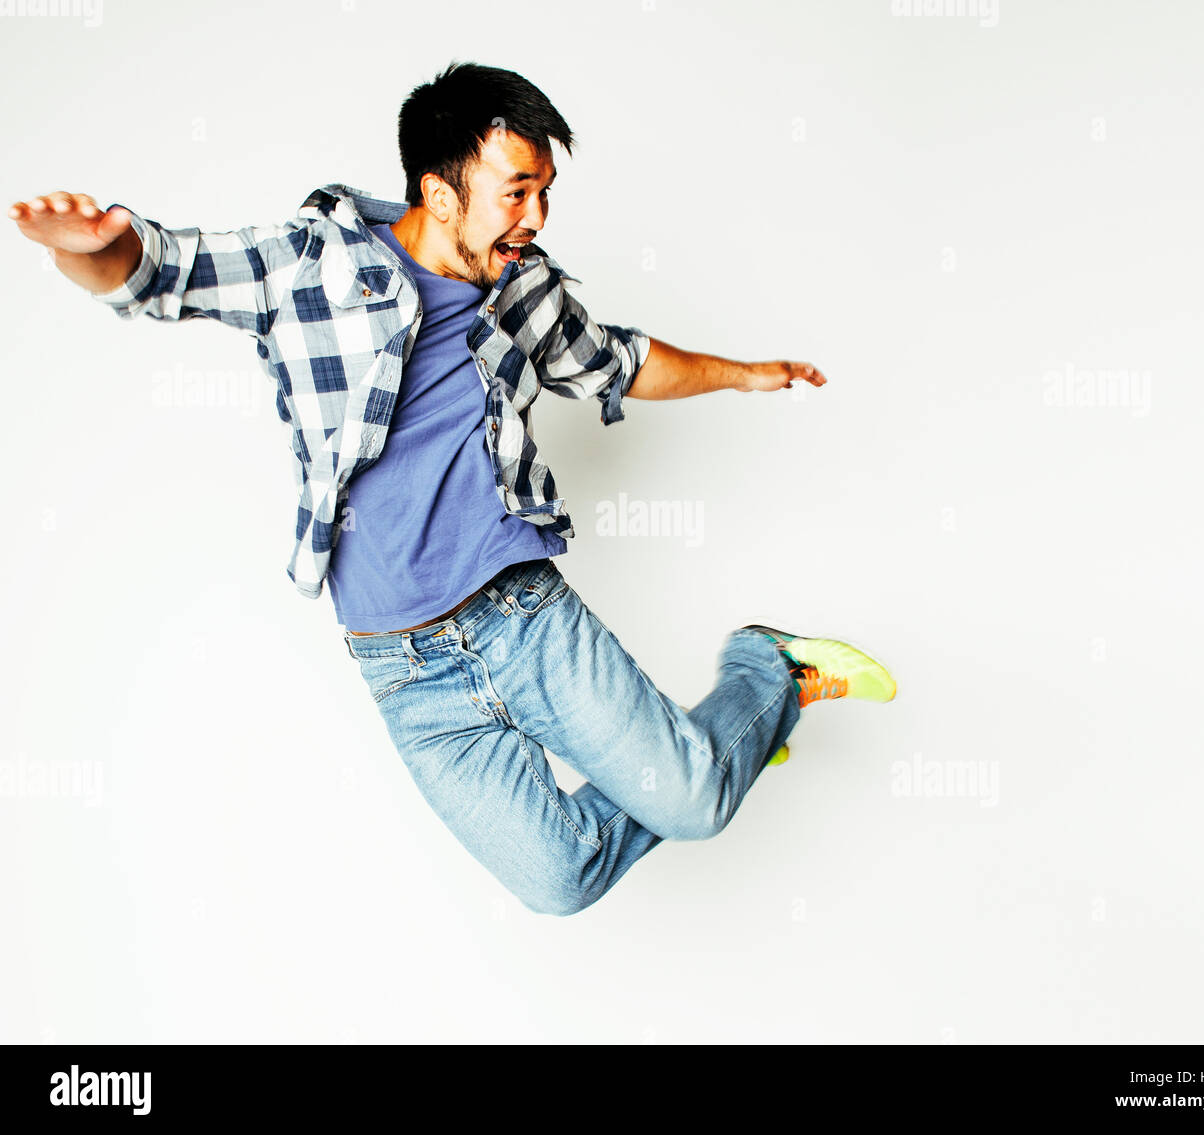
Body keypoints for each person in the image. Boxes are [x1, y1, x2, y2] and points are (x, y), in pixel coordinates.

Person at [9, 62, 897, 916]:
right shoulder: (310, 265)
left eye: (544, 190)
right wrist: (94, 247)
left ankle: (762, 667)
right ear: (440, 192)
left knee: (697, 802)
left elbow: (618, 363)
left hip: (520, 617)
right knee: (560, 880)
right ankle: (705, 748)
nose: (536, 215)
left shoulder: (524, 283)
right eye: (516, 191)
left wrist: (741, 374)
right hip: (401, 668)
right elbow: (162, 269)